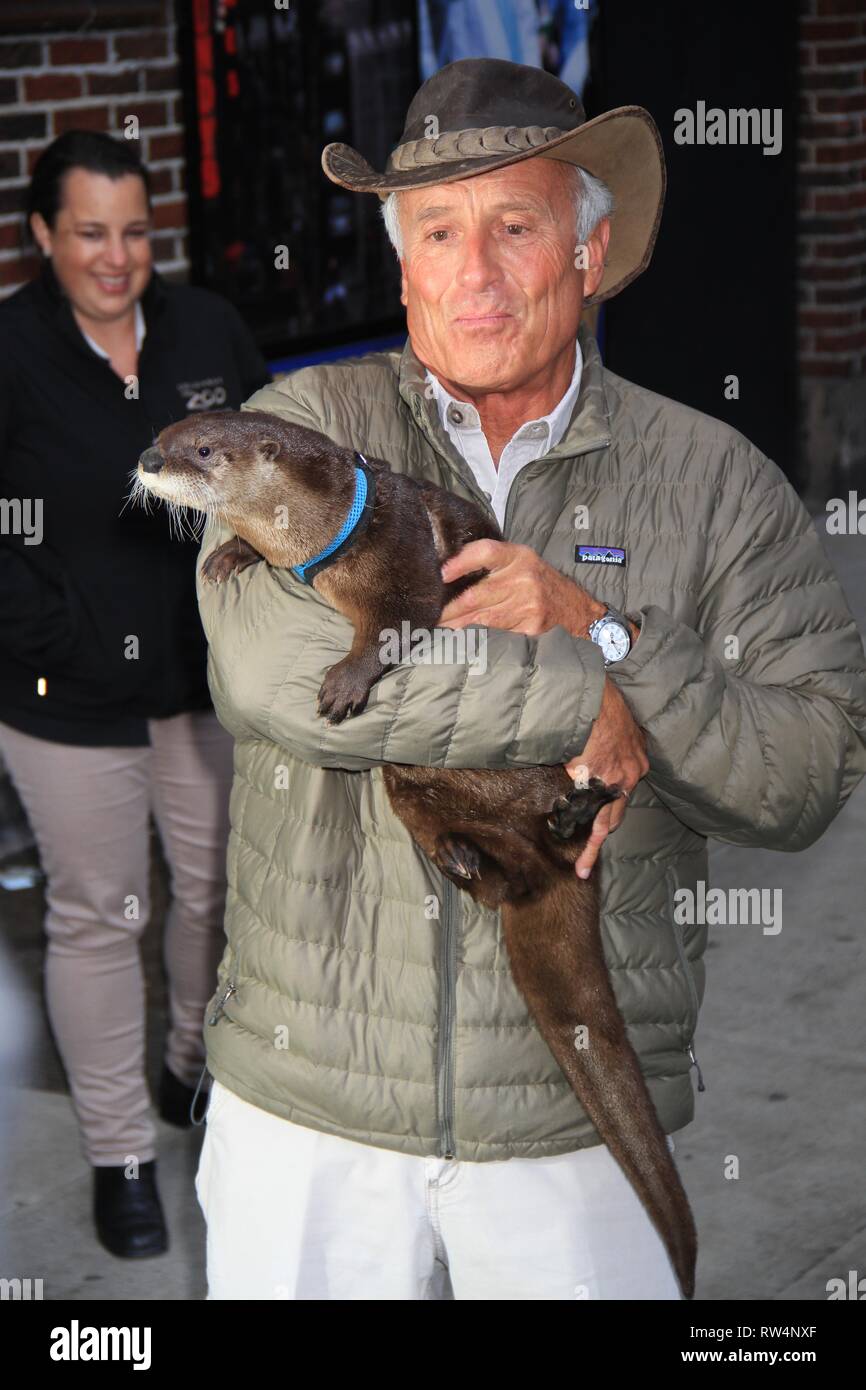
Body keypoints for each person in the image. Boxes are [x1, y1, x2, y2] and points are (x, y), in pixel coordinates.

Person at [192, 59, 866, 1299]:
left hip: (574, 1125)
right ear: (400, 267)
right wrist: (577, 700)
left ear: (588, 256)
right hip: (311, 1115)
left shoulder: (715, 482)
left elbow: (804, 773)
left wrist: (600, 631)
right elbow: (274, 679)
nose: (475, 271)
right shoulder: (300, 428)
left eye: (516, 226)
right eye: (437, 232)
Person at [0, 131, 271, 1259]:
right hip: (62, 697)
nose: (118, 258)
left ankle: (188, 1072)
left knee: (216, 896)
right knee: (100, 914)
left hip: (206, 680)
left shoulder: (207, 329)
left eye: (136, 232)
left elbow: (270, 472)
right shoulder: (8, 351)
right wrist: (46, 626)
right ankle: (118, 1155)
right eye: (92, 234)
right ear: (43, 237)